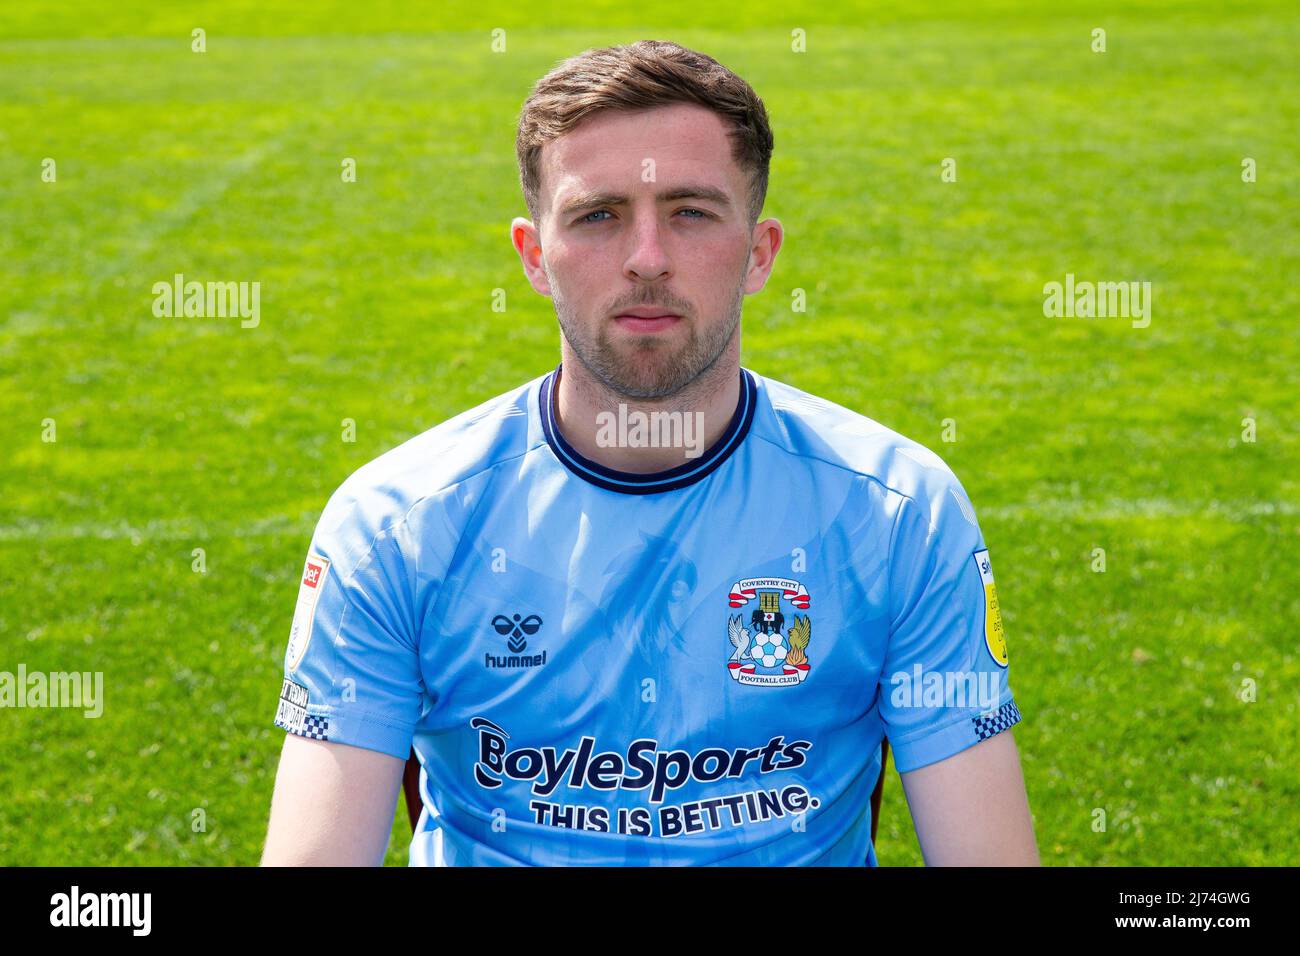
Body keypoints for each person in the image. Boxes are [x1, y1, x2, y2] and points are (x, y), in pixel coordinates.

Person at [261, 39, 1039, 866]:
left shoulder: (899, 515)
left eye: (691, 212)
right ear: (533, 256)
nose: (647, 259)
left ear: (760, 252)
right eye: (598, 216)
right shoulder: (393, 530)